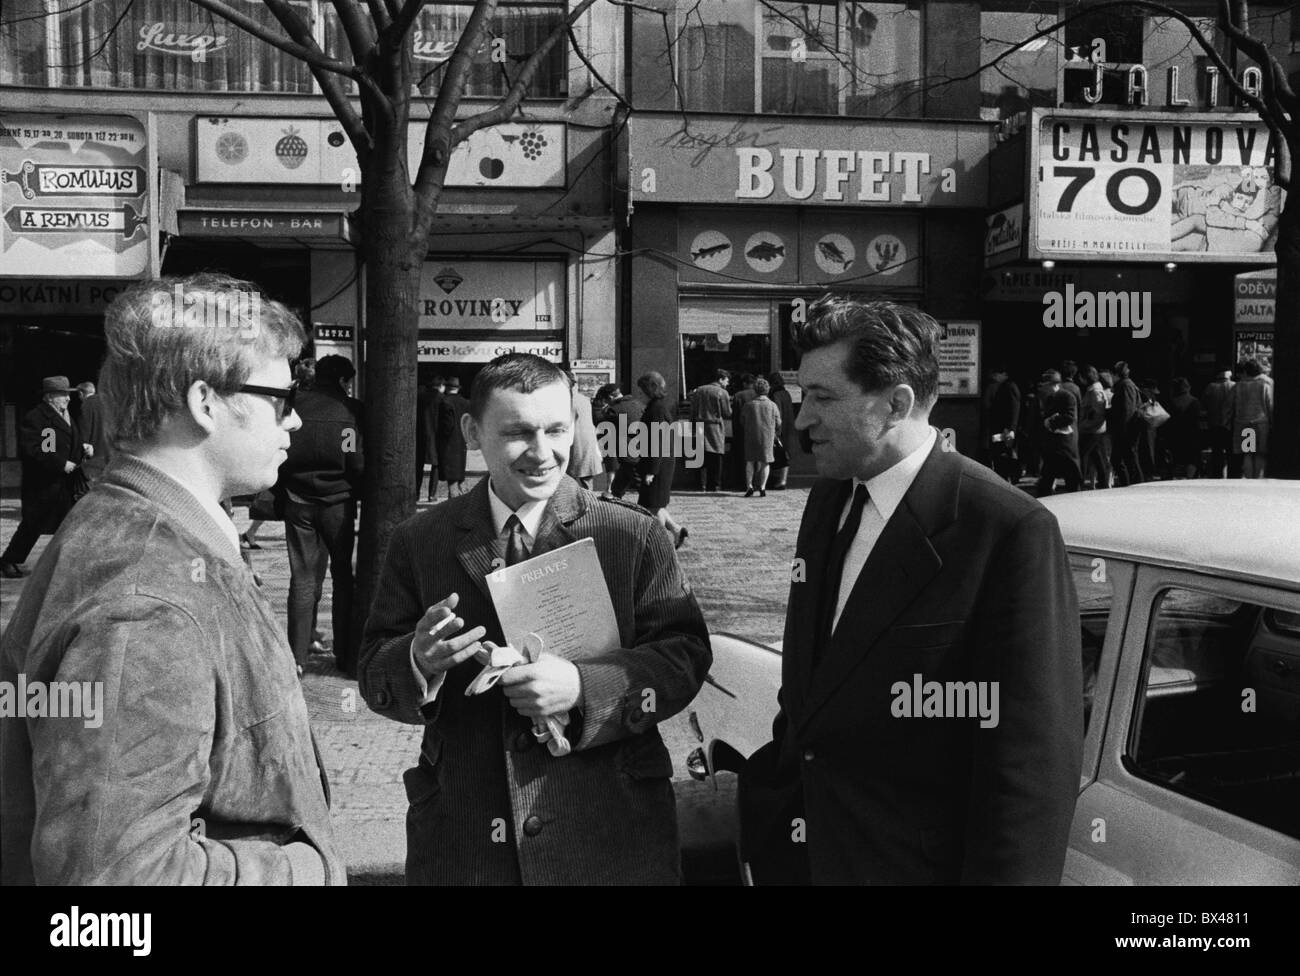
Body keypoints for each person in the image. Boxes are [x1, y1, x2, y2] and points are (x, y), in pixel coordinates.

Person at [0, 273, 343, 884]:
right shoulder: (149, 602)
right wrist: (305, 872)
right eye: (282, 400)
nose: (294, 422)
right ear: (204, 402)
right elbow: (112, 882)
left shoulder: (136, 529)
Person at [738, 297, 1082, 885]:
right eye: (803, 395)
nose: (800, 420)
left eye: (823, 398)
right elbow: (811, 693)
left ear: (896, 403)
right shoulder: (829, 498)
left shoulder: (1005, 528)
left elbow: (1029, 768)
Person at [358, 353, 711, 884]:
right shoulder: (421, 540)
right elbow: (373, 669)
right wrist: (416, 660)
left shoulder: (631, 534)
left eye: (556, 430)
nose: (542, 453)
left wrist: (584, 687)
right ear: (472, 432)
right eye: (518, 433)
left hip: (608, 831)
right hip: (469, 835)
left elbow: (684, 657)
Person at [278, 354, 364, 676]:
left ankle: (296, 658)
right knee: (342, 577)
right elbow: (354, 460)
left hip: (296, 500)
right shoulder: (350, 411)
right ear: (343, 381)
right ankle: (344, 654)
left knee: (301, 577)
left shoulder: (295, 405)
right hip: (337, 504)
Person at [0, 377, 88, 579]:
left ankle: (65, 564)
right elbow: (40, 450)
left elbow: (68, 441)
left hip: (63, 484)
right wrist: (60, 463)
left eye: (68, 394)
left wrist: (83, 448)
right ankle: (8, 560)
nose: (67, 398)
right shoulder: (39, 418)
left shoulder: (65, 415)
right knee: (33, 525)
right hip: (44, 485)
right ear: (49, 397)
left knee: (68, 523)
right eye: (63, 394)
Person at [636, 371, 688, 548]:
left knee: (652, 506)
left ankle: (660, 544)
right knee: (655, 504)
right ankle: (676, 530)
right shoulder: (657, 406)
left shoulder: (656, 409)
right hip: (660, 463)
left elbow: (659, 441)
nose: (639, 394)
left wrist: (652, 470)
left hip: (658, 464)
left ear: (650, 389)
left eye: (642, 390)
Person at [1035, 370, 1082, 496]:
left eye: (1044, 385)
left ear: (1052, 384)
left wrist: (1051, 421)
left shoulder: (1067, 396)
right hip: (1053, 444)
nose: (1042, 389)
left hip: (1065, 444)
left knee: (1071, 478)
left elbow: (1070, 417)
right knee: (1047, 478)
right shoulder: (1049, 398)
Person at [1229, 357, 1273, 478]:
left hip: (1243, 423)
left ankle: (1248, 479)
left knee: (1247, 453)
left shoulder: (1238, 386)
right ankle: (1257, 478)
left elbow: (1230, 406)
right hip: (1261, 423)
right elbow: (1270, 404)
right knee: (1259, 453)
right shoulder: (1264, 385)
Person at [689, 368, 731, 492]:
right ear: (721, 379)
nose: (727, 384)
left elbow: (693, 410)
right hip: (715, 427)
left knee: (700, 457)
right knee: (716, 457)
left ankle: (700, 484)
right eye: (726, 380)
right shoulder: (722, 393)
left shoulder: (699, 390)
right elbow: (727, 412)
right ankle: (715, 485)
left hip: (700, 426)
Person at [603, 383, 645, 499]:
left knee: (641, 486)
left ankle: (654, 511)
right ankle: (614, 500)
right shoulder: (638, 404)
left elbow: (602, 426)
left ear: (610, 398)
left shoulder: (613, 410)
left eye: (606, 401)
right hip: (641, 449)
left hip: (627, 453)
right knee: (619, 483)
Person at [564, 369, 604, 491]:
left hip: (575, 445)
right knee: (587, 482)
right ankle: (589, 506)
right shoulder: (583, 399)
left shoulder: (567, 399)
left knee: (567, 482)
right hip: (587, 444)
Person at [742, 377, 781, 498]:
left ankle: (750, 486)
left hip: (751, 436)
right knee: (765, 462)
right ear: (767, 390)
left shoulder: (748, 405)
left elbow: (742, 420)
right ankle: (762, 487)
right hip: (767, 436)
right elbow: (779, 422)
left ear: (755, 390)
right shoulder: (772, 405)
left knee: (750, 461)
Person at [1108, 360, 1144, 486]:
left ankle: (1135, 485)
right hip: (1126, 429)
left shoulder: (1125, 386)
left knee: (1127, 459)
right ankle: (1129, 485)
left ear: (1116, 374)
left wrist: (1121, 432)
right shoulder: (1126, 385)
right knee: (1123, 459)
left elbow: (1127, 410)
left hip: (1126, 430)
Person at [1077, 365, 1111, 490]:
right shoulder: (1094, 390)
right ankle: (1103, 483)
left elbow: (1097, 413)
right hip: (1094, 429)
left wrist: (1083, 425)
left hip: (1091, 430)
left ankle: (1079, 483)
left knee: (1083, 456)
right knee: (1097, 456)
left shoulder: (1095, 392)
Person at [986, 365, 1021, 484]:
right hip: (1002, 429)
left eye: (996, 374)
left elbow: (1014, 408)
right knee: (1001, 456)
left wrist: (1011, 428)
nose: (994, 377)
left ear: (1004, 374)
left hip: (1004, 430)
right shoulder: (1005, 386)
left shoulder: (1010, 387)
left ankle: (1009, 479)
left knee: (1004, 455)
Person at [1164, 377, 1204, 479]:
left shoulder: (1172, 402)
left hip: (1176, 434)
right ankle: (1189, 478)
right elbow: (1197, 420)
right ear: (1188, 388)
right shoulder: (1194, 401)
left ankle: (1177, 478)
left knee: (1178, 458)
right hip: (1192, 434)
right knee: (1192, 459)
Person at [437, 375, 470, 498]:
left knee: (452, 481)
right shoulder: (466, 403)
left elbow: (447, 427)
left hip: (449, 445)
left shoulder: (445, 402)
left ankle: (454, 508)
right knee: (460, 477)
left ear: (446, 387)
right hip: (461, 443)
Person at [1200, 367, 1235, 478]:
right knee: (1231, 451)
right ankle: (1232, 474)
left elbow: (1204, 404)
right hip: (1230, 424)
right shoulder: (1234, 386)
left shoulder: (1210, 387)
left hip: (1214, 423)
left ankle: (1217, 475)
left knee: (1217, 451)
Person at [765, 372, 795, 489]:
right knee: (785, 454)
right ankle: (782, 480)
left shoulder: (776, 394)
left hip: (780, 429)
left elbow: (777, 413)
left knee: (779, 455)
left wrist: (776, 431)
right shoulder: (786, 393)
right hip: (789, 427)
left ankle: (779, 481)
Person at [416, 376, 444, 501]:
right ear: (440, 385)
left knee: (418, 466)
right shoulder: (442, 399)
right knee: (436, 465)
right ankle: (432, 494)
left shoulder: (419, 398)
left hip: (421, 434)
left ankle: (416, 493)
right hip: (437, 435)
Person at [729, 374, 758, 490]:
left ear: (744, 383)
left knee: (742, 458)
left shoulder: (739, 395)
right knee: (757, 458)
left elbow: (735, 416)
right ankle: (756, 483)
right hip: (758, 431)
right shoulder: (759, 395)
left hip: (742, 431)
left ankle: (742, 482)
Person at [76, 381, 108, 482]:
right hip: (107, 456)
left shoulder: (87, 404)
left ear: (81, 394)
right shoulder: (106, 402)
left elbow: (84, 430)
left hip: (93, 461)